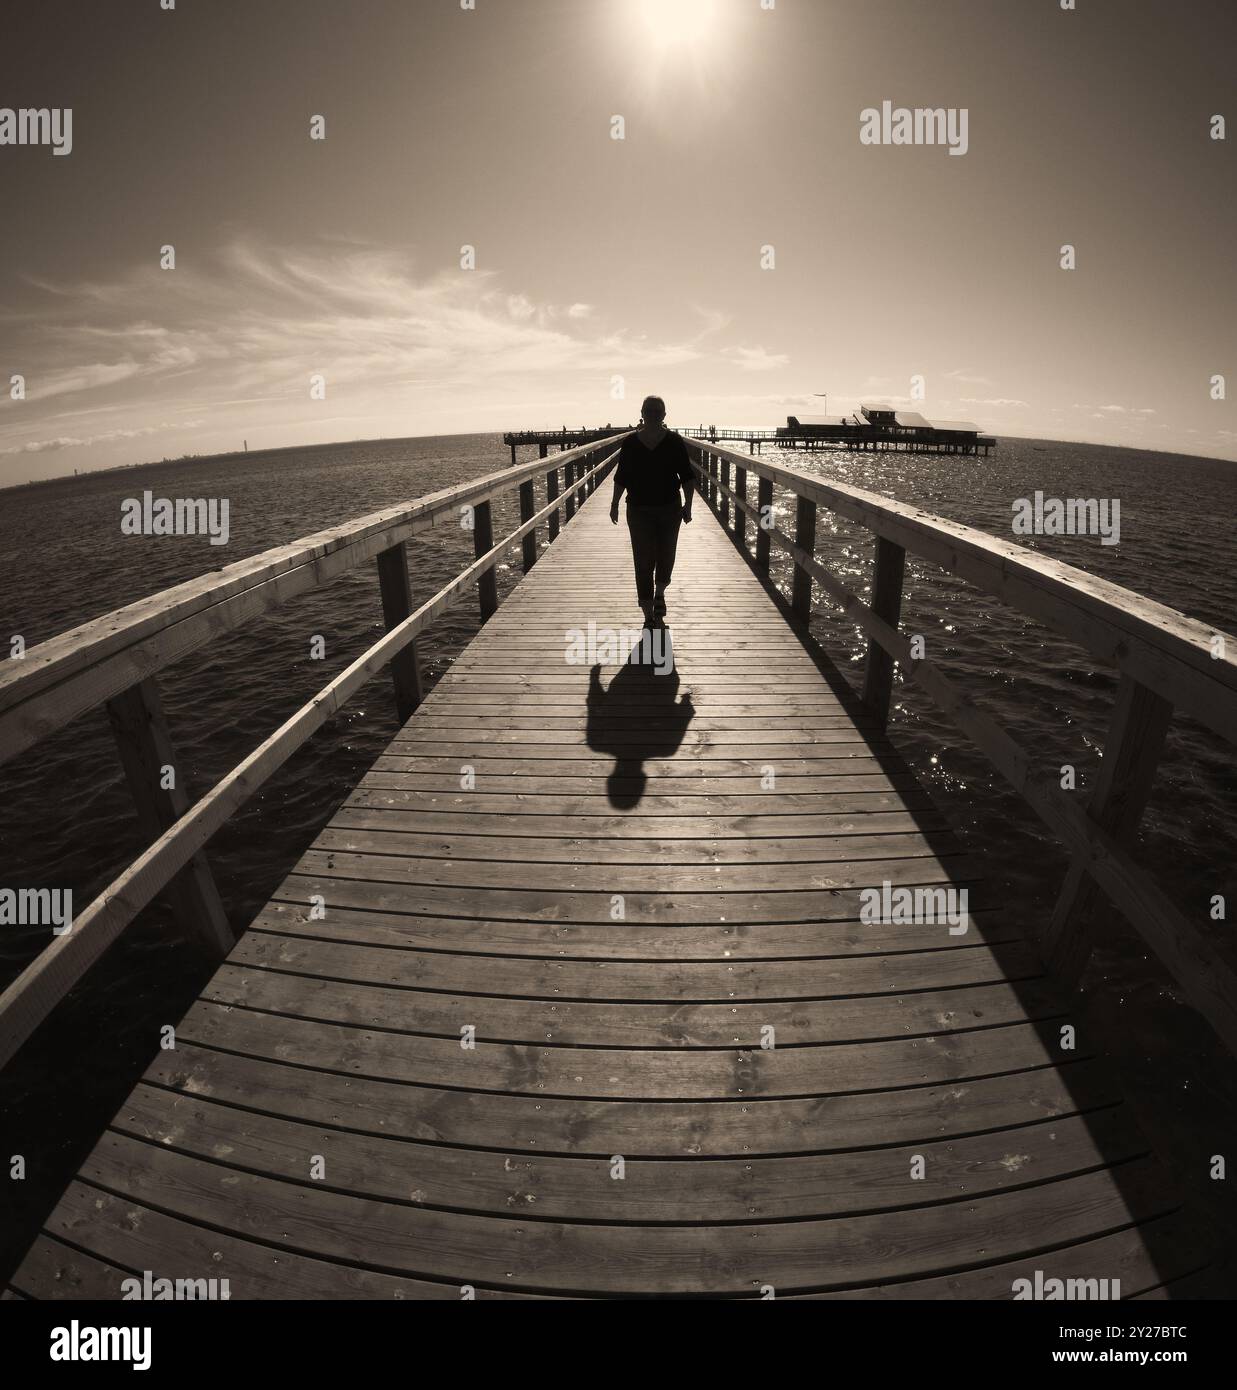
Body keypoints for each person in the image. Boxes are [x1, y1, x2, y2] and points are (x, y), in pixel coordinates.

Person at [609, 395, 694, 627]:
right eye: (649, 411)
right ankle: (648, 616)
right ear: (642, 413)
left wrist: (689, 504)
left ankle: (660, 591)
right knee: (643, 561)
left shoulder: (675, 442)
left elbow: (687, 476)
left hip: (670, 509)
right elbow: (621, 476)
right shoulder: (630, 443)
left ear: (664, 415)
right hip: (638, 510)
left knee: (666, 555)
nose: (654, 415)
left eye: (658, 411)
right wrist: (615, 503)